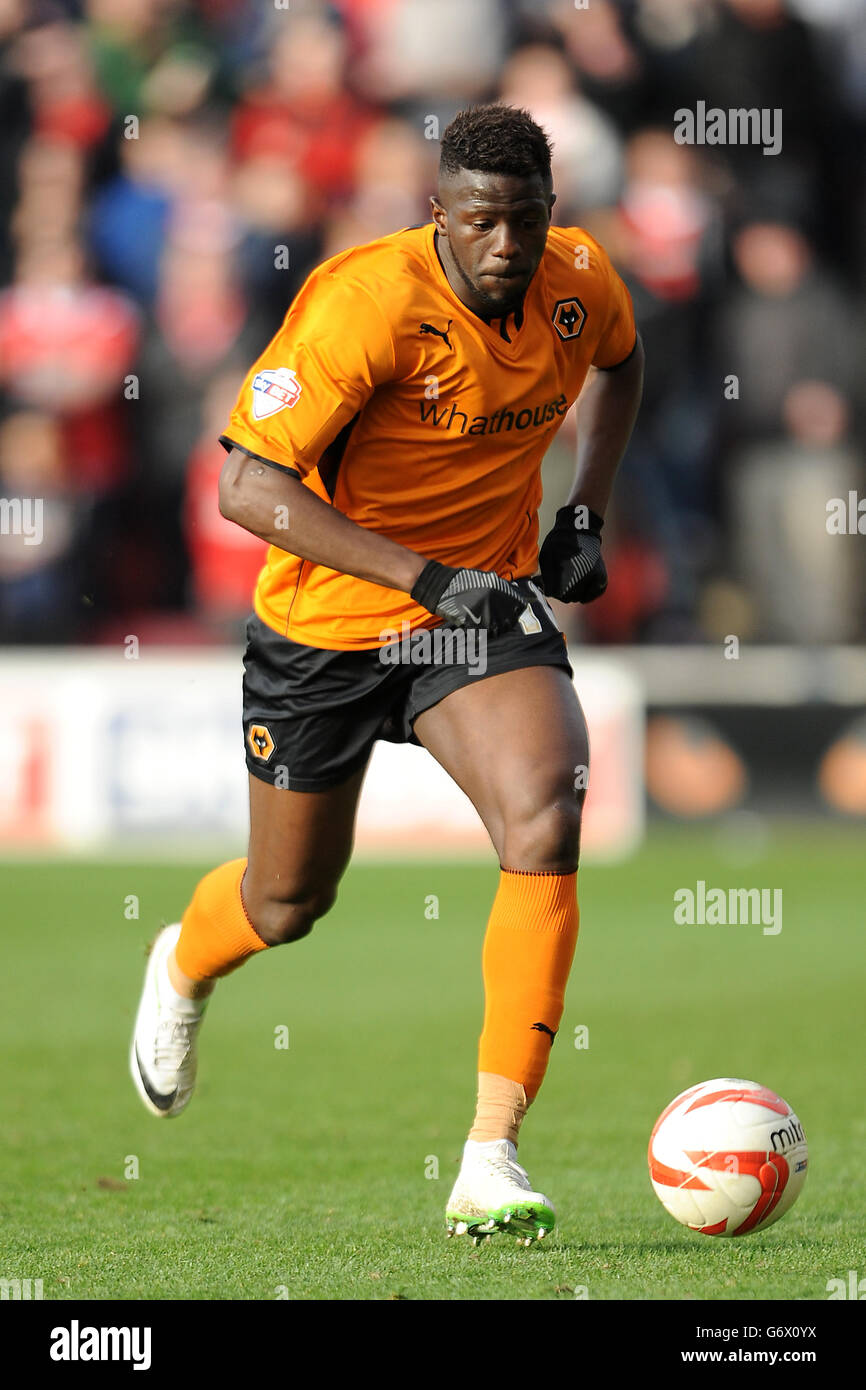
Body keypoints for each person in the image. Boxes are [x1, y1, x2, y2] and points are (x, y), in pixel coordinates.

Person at [130, 104, 643, 1246]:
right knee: (287, 902)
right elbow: (246, 490)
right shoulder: (362, 302)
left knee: (544, 809)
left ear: (550, 212)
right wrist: (420, 576)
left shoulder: (578, 279)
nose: (505, 245)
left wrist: (584, 510)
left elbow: (621, 361)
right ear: (437, 216)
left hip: (474, 613)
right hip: (324, 628)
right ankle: (184, 959)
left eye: (524, 220)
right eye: (480, 223)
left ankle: (488, 1154)